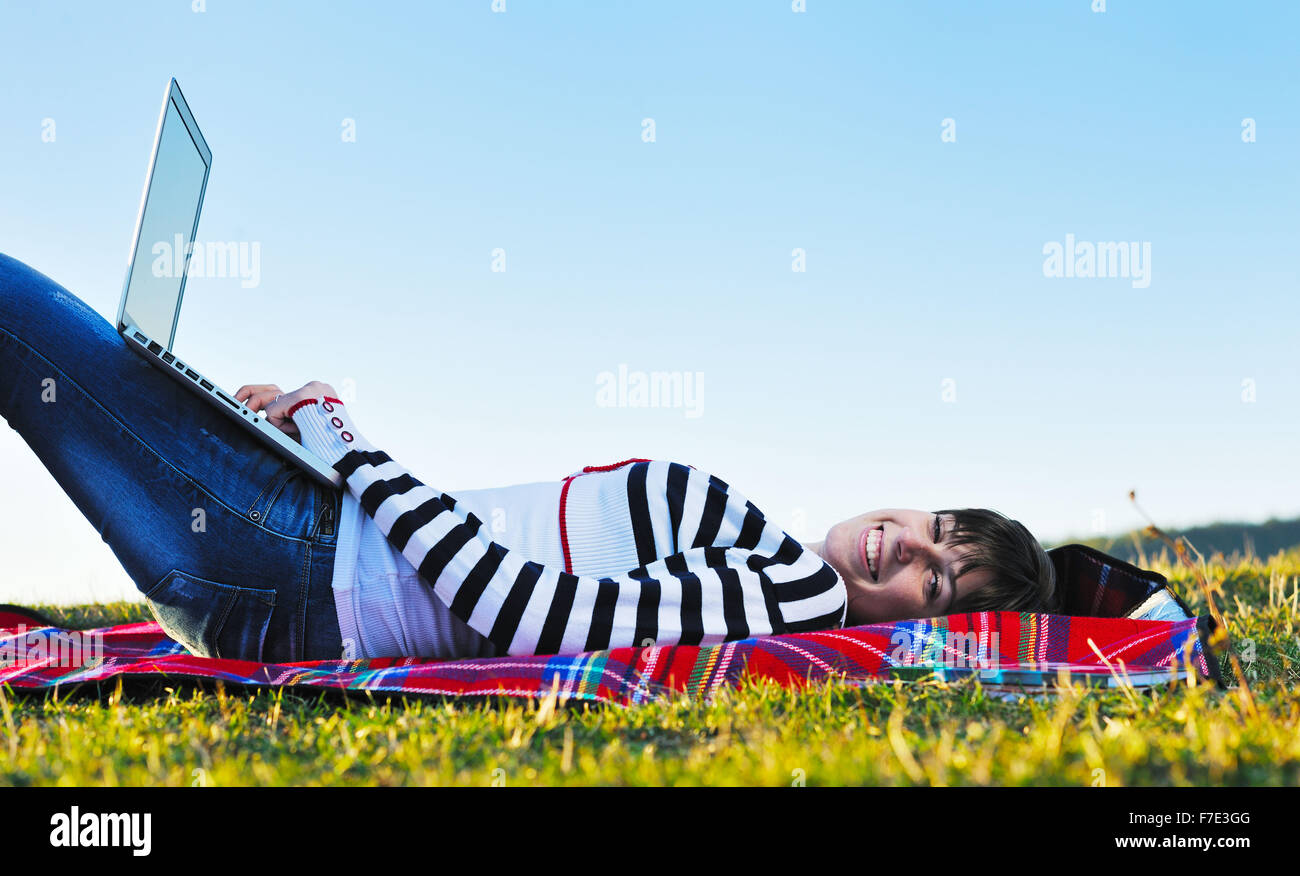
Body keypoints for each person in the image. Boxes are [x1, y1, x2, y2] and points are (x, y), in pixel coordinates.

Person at [0, 252, 1059, 664]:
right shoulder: (782, 559)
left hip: (284, 565)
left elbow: (532, 615)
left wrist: (337, 432)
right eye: (938, 526)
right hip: (297, 528)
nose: (908, 544)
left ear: (942, 623)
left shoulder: (794, 592)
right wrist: (311, 445)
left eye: (938, 574)